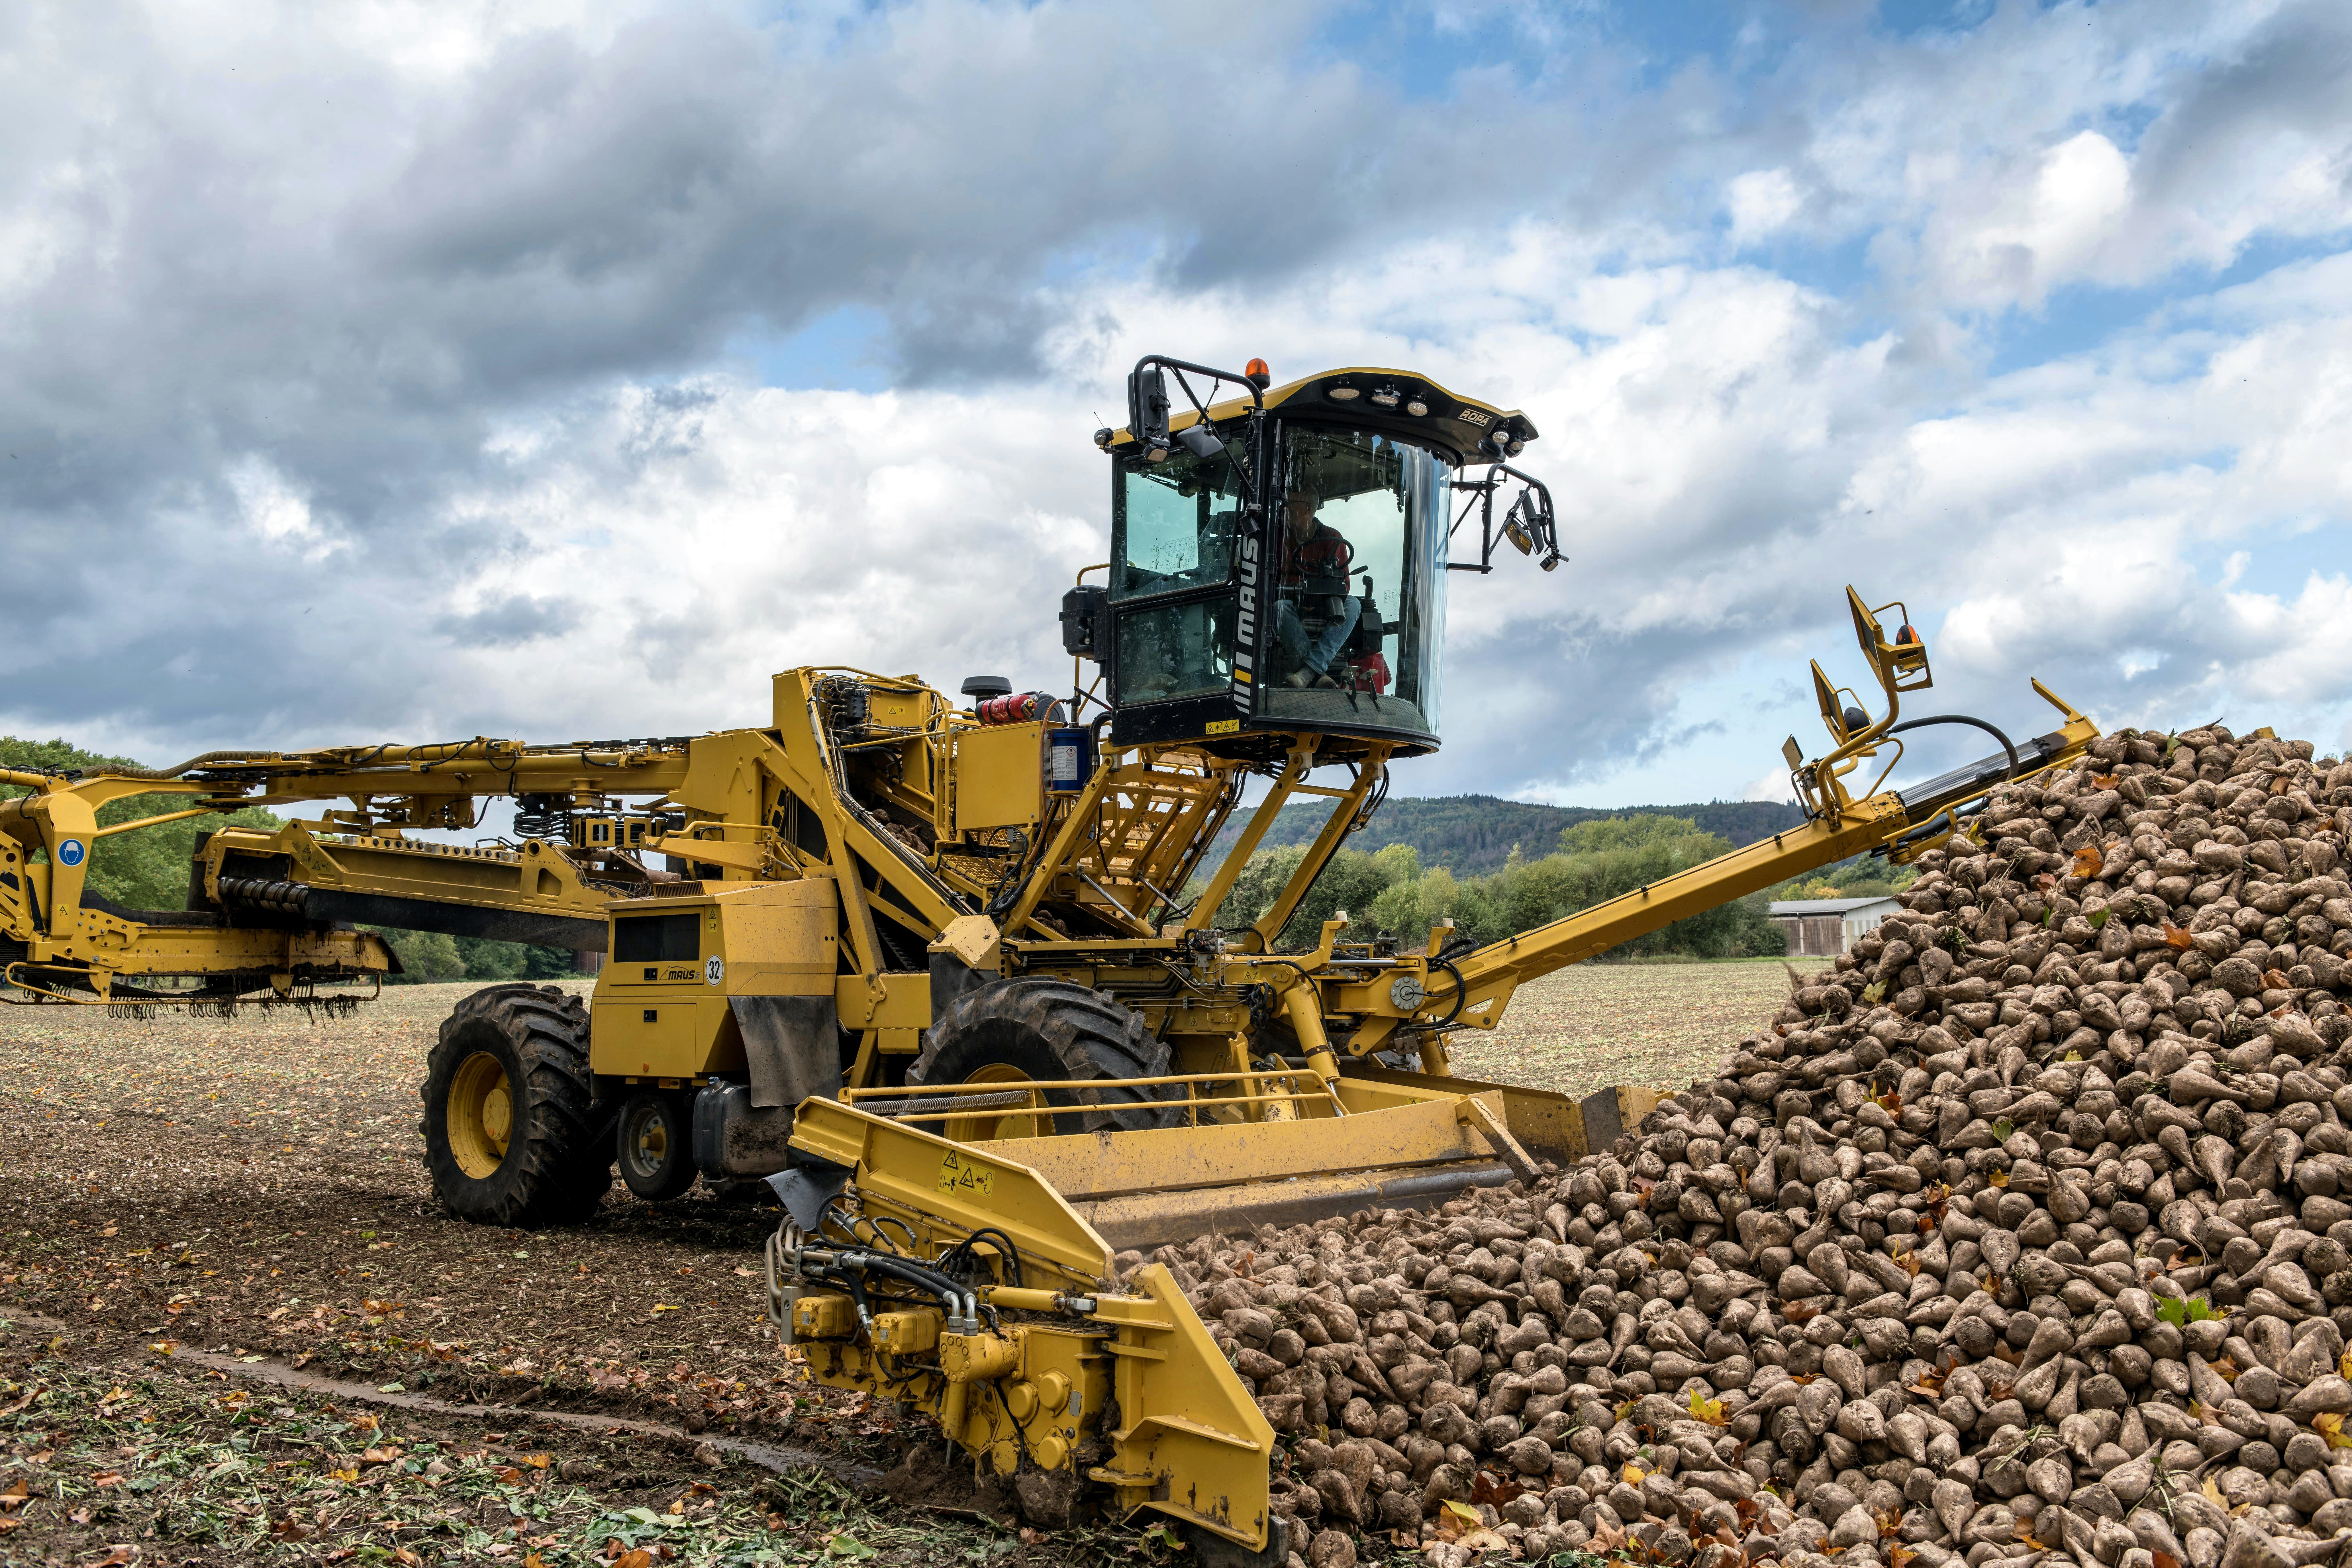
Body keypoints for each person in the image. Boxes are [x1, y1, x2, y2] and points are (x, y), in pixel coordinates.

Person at [1273, 487, 1360, 688]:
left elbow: (1343, 585)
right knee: (1279, 609)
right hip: (1290, 602)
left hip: (1324, 606)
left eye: (1289, 504)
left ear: (1308, 509)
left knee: (1354, 605)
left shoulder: (1332, 538)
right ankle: (1318, 673)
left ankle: (1307, 672)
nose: (1283, 508)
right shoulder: (1276, 536)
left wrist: (1318, 598)